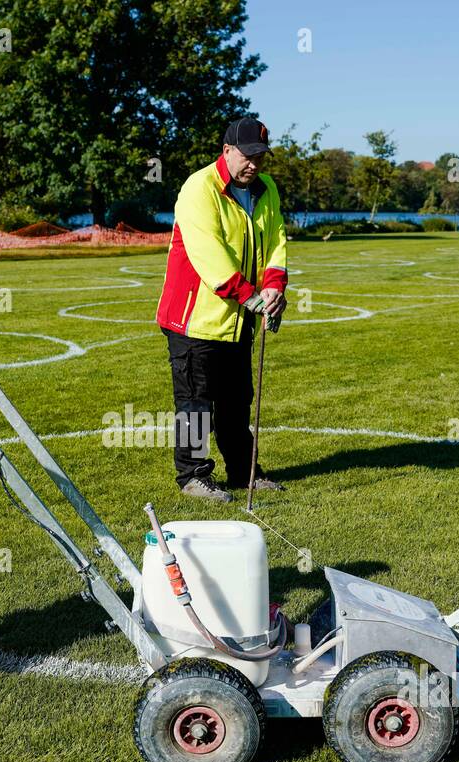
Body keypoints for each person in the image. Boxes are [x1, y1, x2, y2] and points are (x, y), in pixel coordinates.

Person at [155, 116, 288, 502]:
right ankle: (193, 476)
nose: (254, 164)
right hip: (194, 321)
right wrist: (253, 299)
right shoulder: (199, 188)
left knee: (236, 403)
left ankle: (245, 473)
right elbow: (210, 258)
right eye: (248, 156)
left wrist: (275, 288)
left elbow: (276, 241)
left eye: (261, 156)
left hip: (236, 322)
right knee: (196, 404)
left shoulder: (266, 189)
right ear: (227, 150)